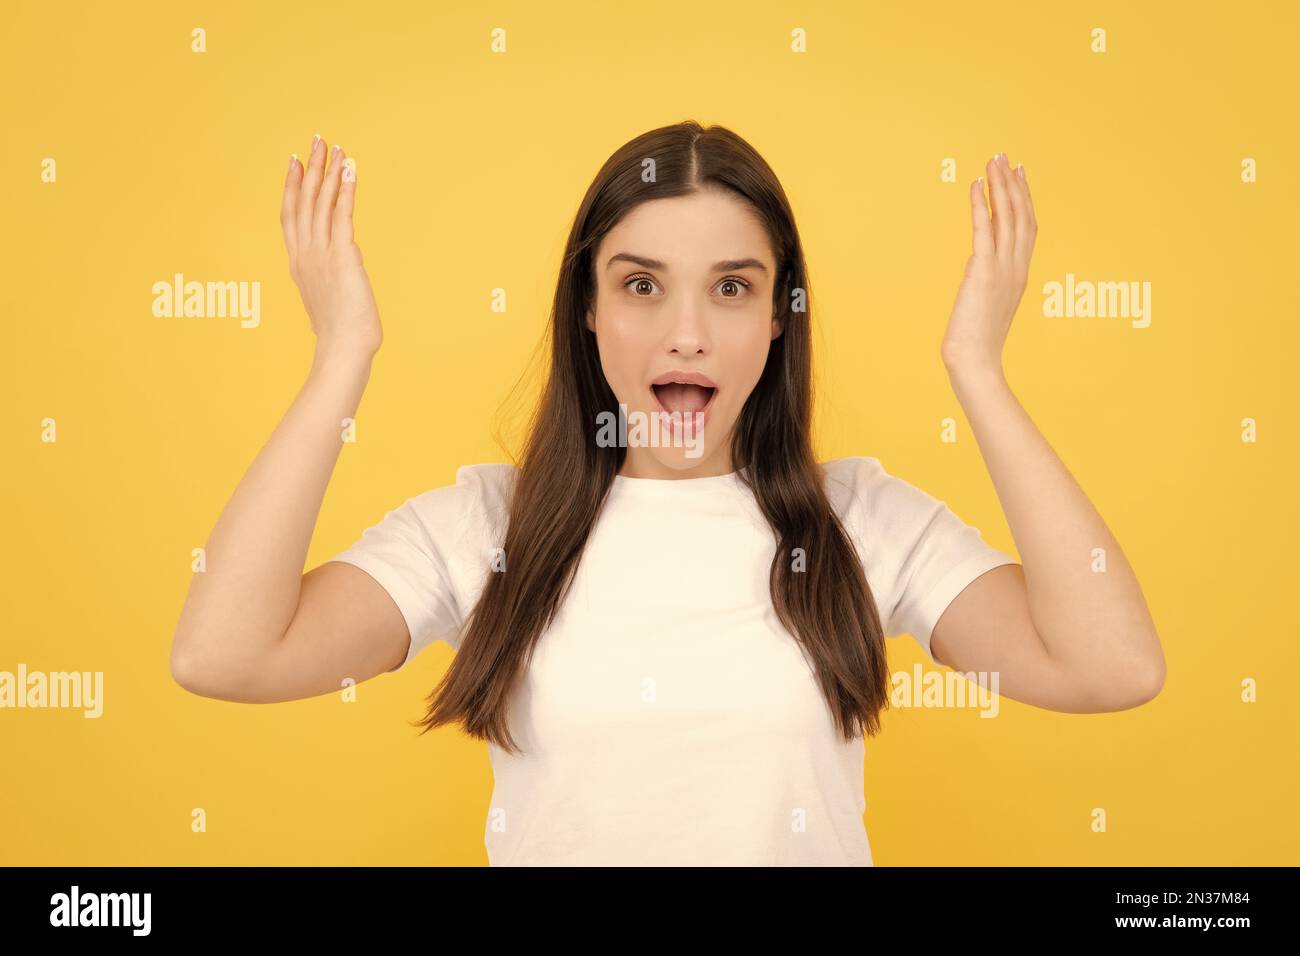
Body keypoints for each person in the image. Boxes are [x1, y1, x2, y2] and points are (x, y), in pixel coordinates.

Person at [170, 121, 1165, 866]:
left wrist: (977, 368)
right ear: (589, 310)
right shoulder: (485, 526)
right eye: (641, 284)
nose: (685, 332)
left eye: (731, 286)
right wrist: (343, 350)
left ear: (779, 317)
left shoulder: (857, 521)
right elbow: (225, 653)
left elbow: (1111, 666)